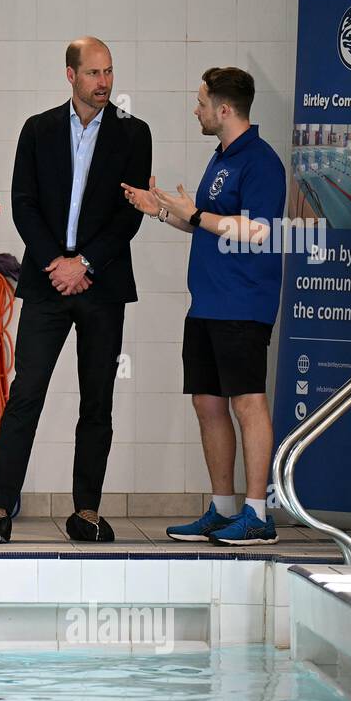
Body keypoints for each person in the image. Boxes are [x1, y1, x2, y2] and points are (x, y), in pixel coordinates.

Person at [0, 37, 152, 544]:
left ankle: (86, 511)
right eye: (94, 73)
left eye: (110, 72)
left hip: (103, 285)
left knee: (96, 402)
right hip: (49, 283)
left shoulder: (133, 133)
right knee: (25, 394)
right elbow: (22, 203)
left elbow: (128, 216)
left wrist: (86, 263)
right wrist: (59, 263)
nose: (104, 83)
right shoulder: (38, 130)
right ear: (70, 75)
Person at [122, 67, 287, 546]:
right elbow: (209, 225)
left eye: (200, 102)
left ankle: (258, 513)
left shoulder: (260, 162)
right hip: (208, 304)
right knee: (207, 403)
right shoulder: (221, 157)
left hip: (243, 303)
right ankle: (223, 507)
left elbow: (257, 230)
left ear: (224, 108)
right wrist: (163, 210)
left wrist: (193, 211)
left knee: (247, 402)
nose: (195, 109)